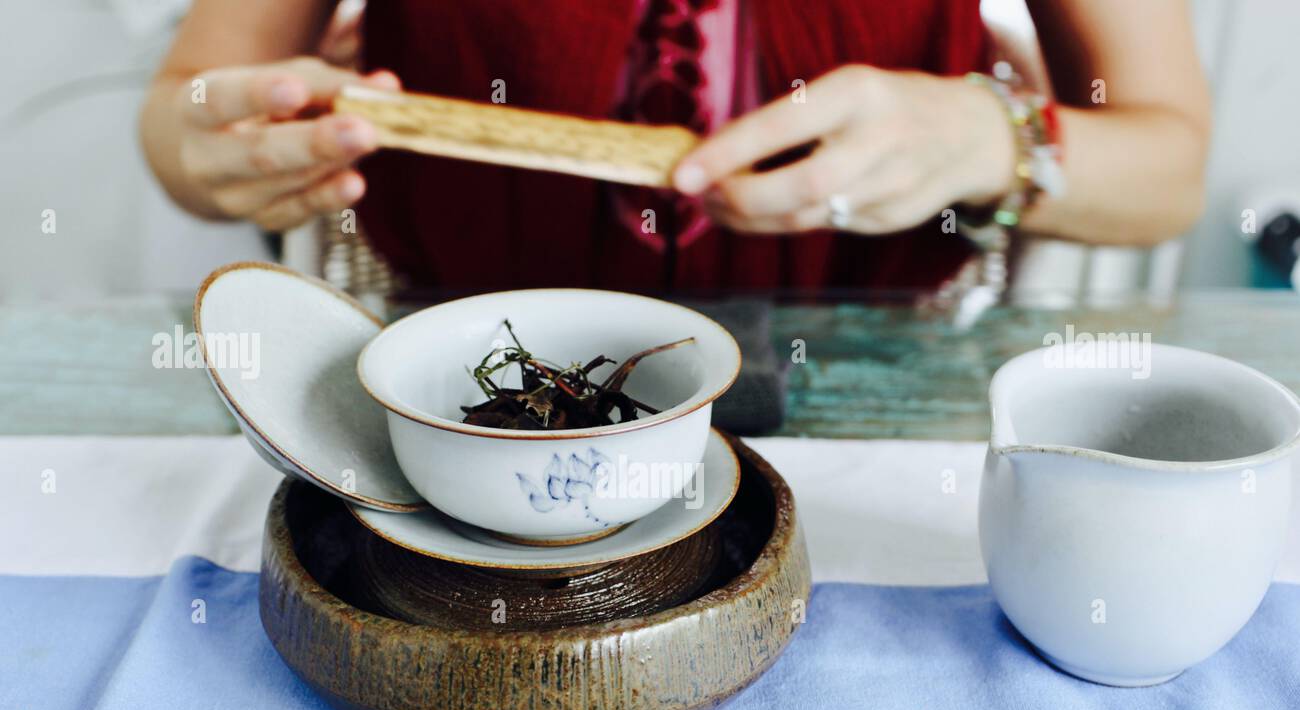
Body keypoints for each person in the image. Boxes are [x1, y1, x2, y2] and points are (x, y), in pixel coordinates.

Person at [141, 0, 1210, 293]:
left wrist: (994, 135)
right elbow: (179, 112)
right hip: (450, 375)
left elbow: (1166, 170)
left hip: (851, 389)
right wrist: (207, 143)